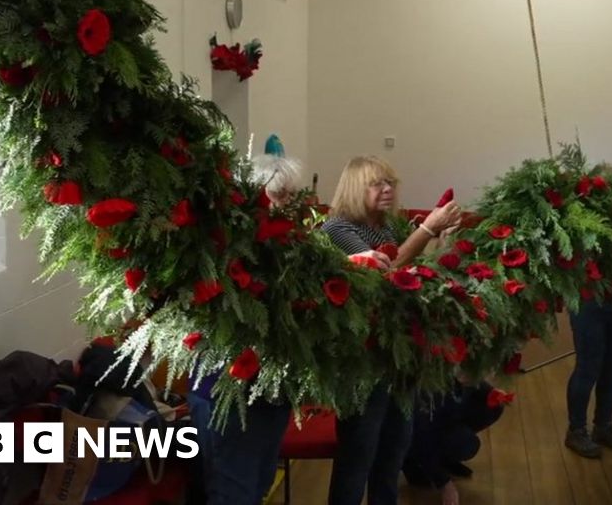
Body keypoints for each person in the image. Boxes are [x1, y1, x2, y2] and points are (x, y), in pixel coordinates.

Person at [322, 156, 463, 505]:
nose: (388, 189)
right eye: (377, 183)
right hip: (362, 356)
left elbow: (413, 272)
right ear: (356, 188)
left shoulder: (386, 227)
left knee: (394, 450)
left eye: (391, 183)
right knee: (359, 452)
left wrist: (440, 241)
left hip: (398, 351)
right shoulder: (338, 228)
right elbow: (385, 268)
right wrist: (427, 228)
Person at [186, 134, 302, 505]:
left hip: (270, 391)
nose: (287, 206)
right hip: (226, 390)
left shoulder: (287, 245)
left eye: (291, 197)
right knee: (231, 490)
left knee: (258, 483)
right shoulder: (224, 247)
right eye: (279, 196)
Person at [564, 163, 612, 458]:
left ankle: (604, 424)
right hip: (590, 302)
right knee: (588, 366)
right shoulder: (580, 220)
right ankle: (576, 429)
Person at [403, 381, 505, 504]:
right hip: (418, 429)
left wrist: (492, 392)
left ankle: (444, 457)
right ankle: (414, 461)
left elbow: (474, 379)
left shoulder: (463, 373)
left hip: (443, 410)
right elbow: (420, 433)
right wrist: (444, 483)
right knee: (465, 444)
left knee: (494, 405)